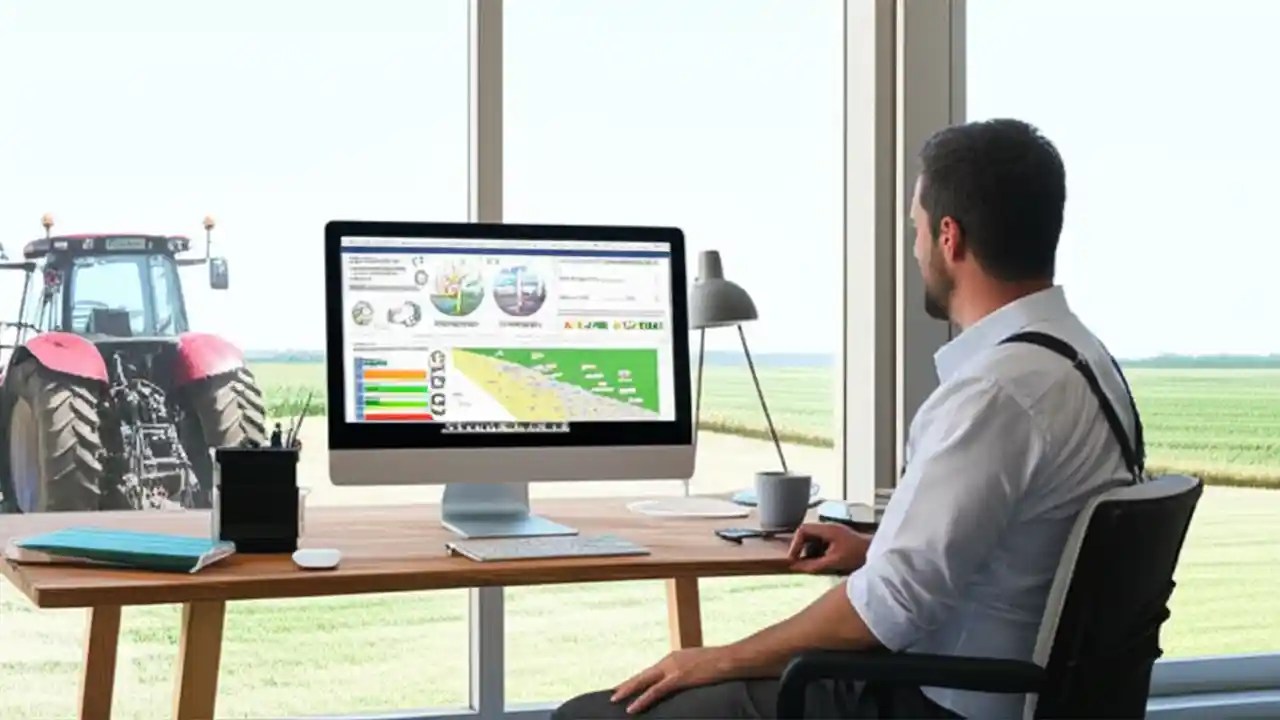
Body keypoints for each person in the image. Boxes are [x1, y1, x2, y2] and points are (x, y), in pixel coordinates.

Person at [552, 117, 1144, 720]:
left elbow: (885, 612)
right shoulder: (1086, 363)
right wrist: (874, 550)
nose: (913, 250)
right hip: (1018, 690)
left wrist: (715, 657)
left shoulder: (994, 393)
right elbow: (1029, 552)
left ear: (949, 237)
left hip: (940, 703)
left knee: (592, 716)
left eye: (913, 228)